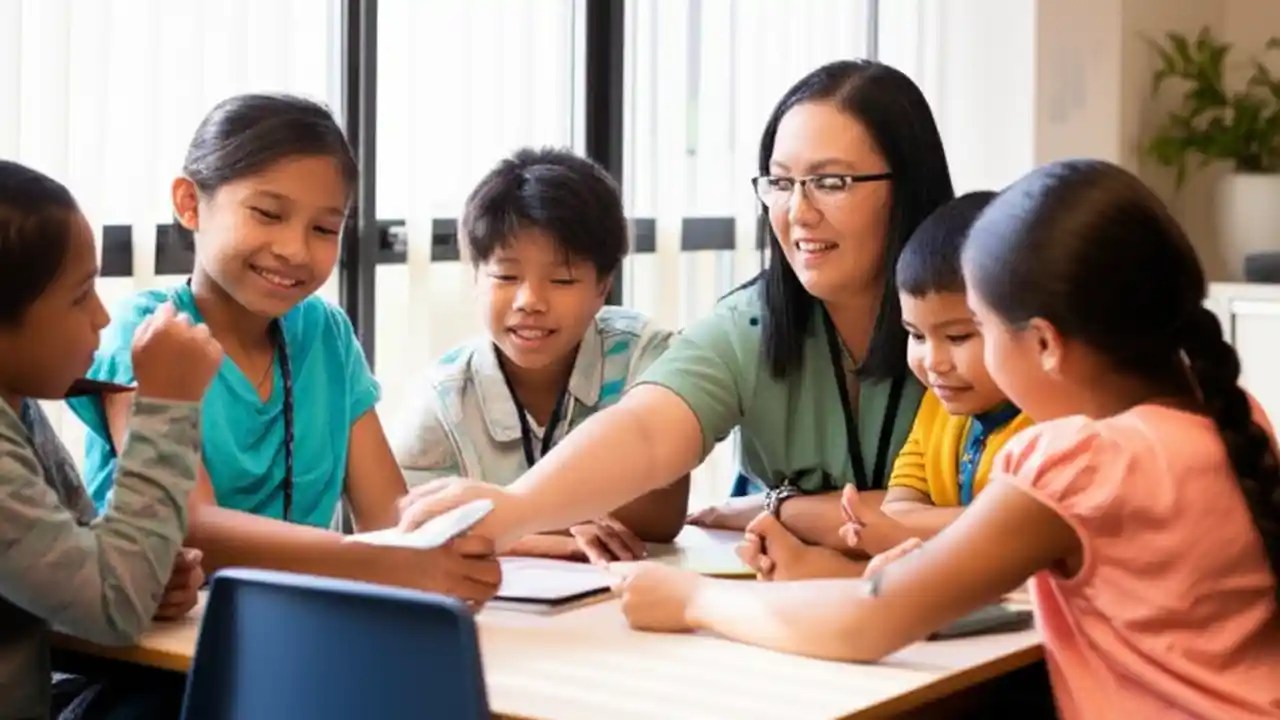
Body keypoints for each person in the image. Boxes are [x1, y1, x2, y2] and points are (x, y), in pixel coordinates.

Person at [616, 159, 1280, 719]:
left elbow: (873, 622)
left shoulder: (1075, 463)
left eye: (978, 331)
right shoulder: (1234, 418)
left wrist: (695, 599)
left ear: (1044, 342)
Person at [397, 59, 956, 560]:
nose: (799, 212)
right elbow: (646, 430)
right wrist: (516, 508)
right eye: (781, 183)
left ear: (907, 185)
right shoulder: (750, 324)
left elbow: (986, 519)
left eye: (831, 182)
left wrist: (788, 507)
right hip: (803, 611)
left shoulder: (980, 320)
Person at [68, 94, 499, 604]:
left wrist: (526, 540)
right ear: (189, 203)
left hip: (301, 624)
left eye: (323, 229)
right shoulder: (148, 334)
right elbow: (193, 526)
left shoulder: (325, 332)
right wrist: (382, 562)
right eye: (268, 213)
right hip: (165, 647)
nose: (295, 250)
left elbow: (390, 515)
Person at [0, 160, 221, 718]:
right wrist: (168, 404)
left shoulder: (16, 406)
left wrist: (141, 569)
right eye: (79, 296)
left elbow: (81, 572)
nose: (101, 316)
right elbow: (110, 606)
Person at [392, 148, 688, 565]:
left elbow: (660, 516)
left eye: (562, 279)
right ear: (474, 276)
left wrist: (500, 520)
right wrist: (556, 538)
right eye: (506, 276)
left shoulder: (645, 355)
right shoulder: (442, 396)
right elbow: (406, 524)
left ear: (603, 286)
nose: (530, 301)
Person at [737, 192, 1034, 579]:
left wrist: (913, 528)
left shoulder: (1046, 426)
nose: (933, 362)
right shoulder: (937, 407)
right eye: (916, 335)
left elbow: (1011, 532)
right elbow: (899, 512)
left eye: (958, 337)